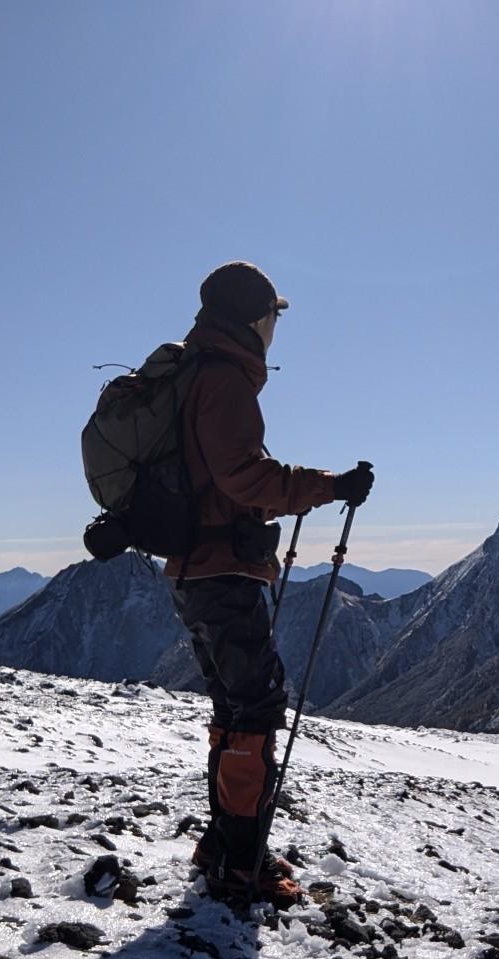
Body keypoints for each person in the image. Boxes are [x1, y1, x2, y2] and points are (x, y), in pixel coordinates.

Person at [165, 260, 374, 905]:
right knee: (253, 712)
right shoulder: (224, 379)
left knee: (234, 712)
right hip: (223, 570)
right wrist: (330, 487)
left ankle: (226, 844)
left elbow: (222, 478)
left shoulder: (192, 372)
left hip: (195, 567)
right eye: (272, 317)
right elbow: (245, 478)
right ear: (256, 319)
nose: (274, 329)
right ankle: (240, 863)